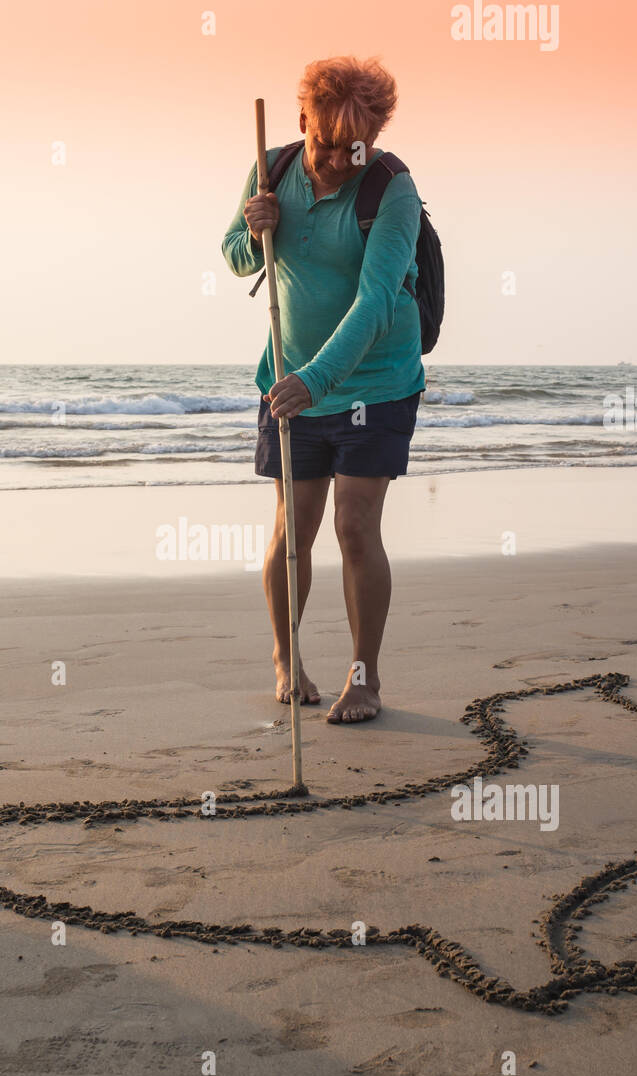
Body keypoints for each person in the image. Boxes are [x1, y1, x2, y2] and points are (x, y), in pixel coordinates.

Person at [222, 56, 424, 724]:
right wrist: (254, 229)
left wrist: (317, 380)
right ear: (302, 119)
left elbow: (373, 303)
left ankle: (363, 677)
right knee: (293, 531)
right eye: (325, 144)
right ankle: (288, 661)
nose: (339, 160)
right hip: (289, 378)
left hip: (374, 379)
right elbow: (237, 257)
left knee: (355, 527)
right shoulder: (273, 165)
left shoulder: (391, 189)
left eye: (354, 148)